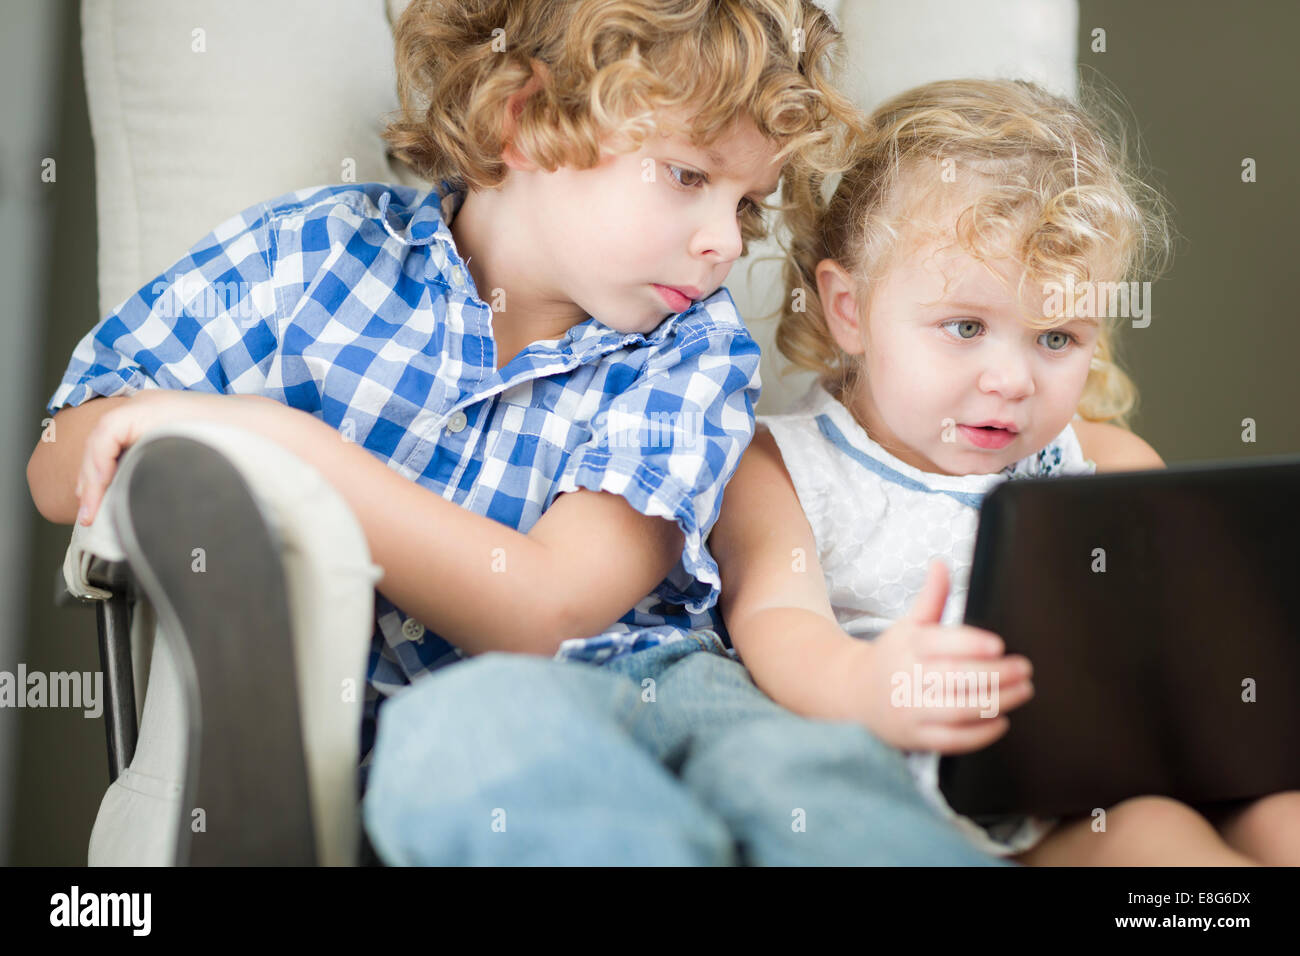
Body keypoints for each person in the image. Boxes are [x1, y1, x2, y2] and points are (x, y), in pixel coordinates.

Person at [33, 1, 996, 866]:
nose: (724, 241)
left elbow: (545, 607)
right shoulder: (309, 260)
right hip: (443, 712)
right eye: (687, 175)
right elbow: (59, 461)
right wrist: (150, 423)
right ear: (526, 119)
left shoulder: (692, 352)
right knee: (475, 750)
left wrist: (280, 439)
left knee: (804, 778)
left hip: (669, 682)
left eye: (744, 203)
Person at [710, 77, 1300, 865]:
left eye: (1057, 337)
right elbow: (778, 624)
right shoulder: (778, 467)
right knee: (1162, 846)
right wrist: (870, 685)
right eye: (965, 326)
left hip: (1127, 768)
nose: (1013, 380)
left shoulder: (1111, 465)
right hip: (977, 814)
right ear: (849, 309)